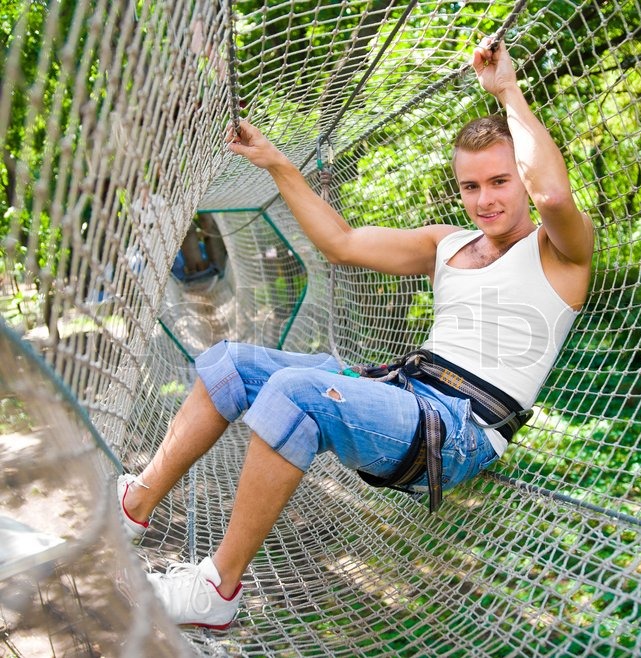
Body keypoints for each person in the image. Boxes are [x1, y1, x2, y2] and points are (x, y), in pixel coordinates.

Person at [117, 39, 594, 628]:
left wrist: (507, 91)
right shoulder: (445, 245)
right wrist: (277, 164)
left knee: (293, 393)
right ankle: (133, 505)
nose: (485, 200)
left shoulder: (560, 254)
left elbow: (553, 194)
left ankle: (219, 588)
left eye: (500, 181)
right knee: (229, 362)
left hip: (458, 429)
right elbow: (341, 243)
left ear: (520, 178)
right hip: (403, 394)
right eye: (471, 187)